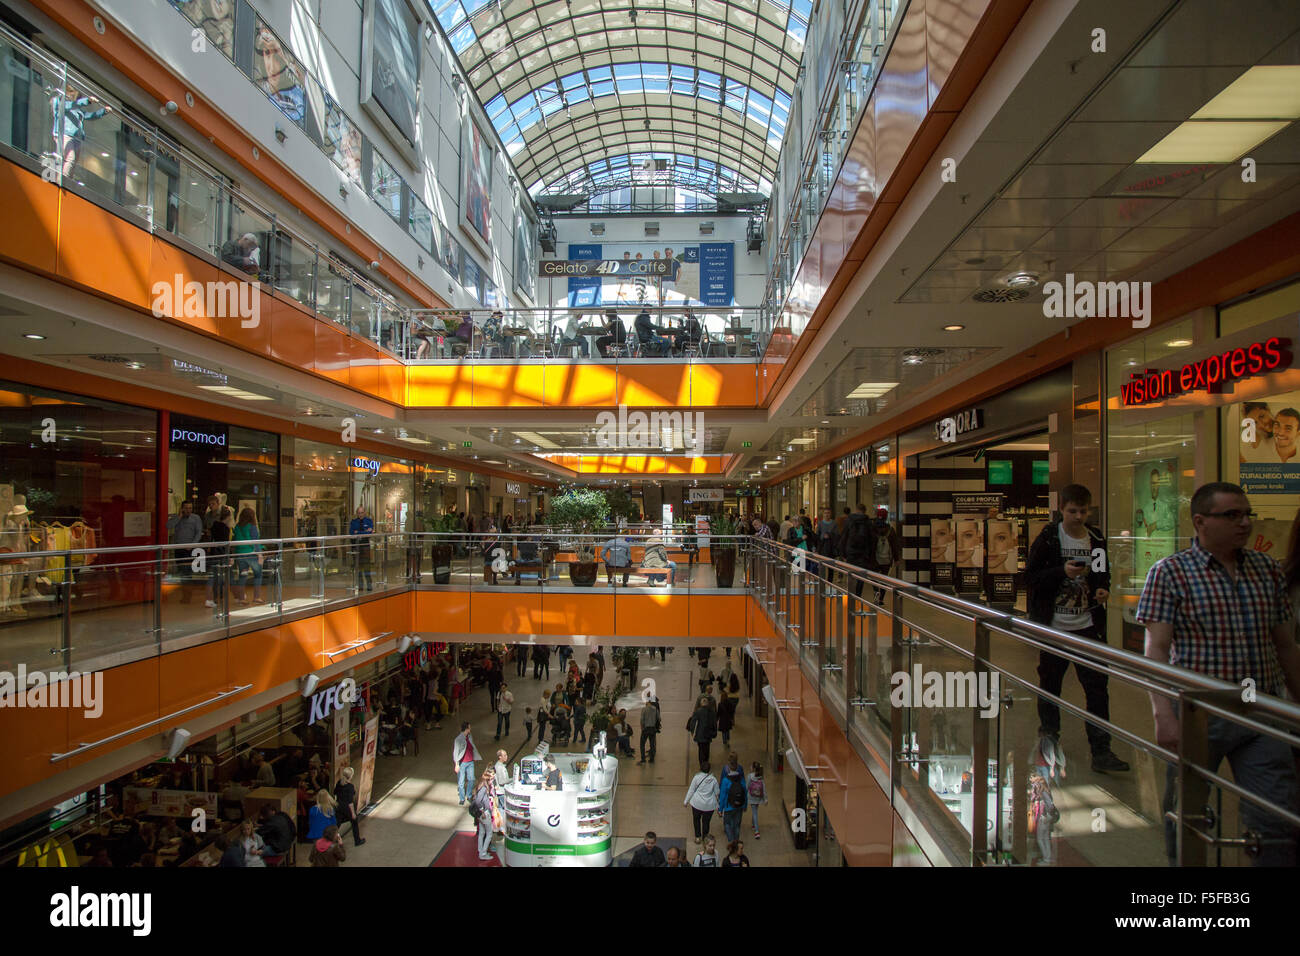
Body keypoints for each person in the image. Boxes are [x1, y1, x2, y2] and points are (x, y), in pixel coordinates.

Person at [1138, 481, 1300, 866]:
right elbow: (1156, 650)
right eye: (1232, 515)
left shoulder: (1266, 571)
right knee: (1186, 809)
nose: (1244, 523)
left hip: (1259, 708)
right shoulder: (1171, 572)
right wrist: (1163, 714)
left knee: (1274, 813)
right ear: (1200, 521)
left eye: (1247, 514)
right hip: (1198, 714)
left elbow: (1285, 646)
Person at [1026, 483, 1129, 773]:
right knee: (1050, 685)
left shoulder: (1095, 539)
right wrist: (1062, 572)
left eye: (1083, 511)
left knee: (1097, 688)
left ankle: (1101, 749)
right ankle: (1049, 738)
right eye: (1073, 511)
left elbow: (1101, 573)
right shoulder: (1049, 538)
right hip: (1055, 627)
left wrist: (1102, 590)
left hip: (1087, 626)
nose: (1078, 516)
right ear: (1063, 509)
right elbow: (1032, 576)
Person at [838, 503, 874, 597]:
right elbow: (872, 539)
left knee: (851, 574)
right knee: (861, 576)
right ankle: (858, 595)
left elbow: (844, 537)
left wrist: (842, 553)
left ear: (856, 510)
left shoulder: (849, 520)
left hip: (850, 552)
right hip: (863, 553)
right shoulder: (868, 521)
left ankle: (851, 594)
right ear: (865, 511)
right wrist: (870, 555)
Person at [231, 507, 264, 605]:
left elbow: (234, 540)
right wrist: (260, 554)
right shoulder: (252, 527)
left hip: (240, 553)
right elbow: (255, 541)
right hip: (251, 553)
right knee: (258, 574)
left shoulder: (237, 527)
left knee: (242, 575)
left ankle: (241, 598)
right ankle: (257, 596)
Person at [685, 760, 720, 844]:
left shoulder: (696, 777)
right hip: (709, 805)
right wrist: (719, 806)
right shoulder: (713, 779)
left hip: (697, 803)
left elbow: (691, 790)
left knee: (696, 819)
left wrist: (686, 801)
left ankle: (697, 837)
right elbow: (717, 792)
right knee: (706, 822)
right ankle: (705, 837)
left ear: (700, 769)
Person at [718, 753, 748, 845]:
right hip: (739, 805)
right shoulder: (741, 777)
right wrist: (745, 805)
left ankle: (731, 842)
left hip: (728, 806)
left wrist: (720, 808)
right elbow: (745, 792)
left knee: (727, 824)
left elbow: (723, 795)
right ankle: (736, 840)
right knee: (737, 825)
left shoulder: (726, 780)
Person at [332, 766, 365, 847]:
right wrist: (353, 813)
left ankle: (331, 839)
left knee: (337, 824)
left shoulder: (339, 782)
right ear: (351, 776)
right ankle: (357, 840)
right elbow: (350, 802)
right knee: (354, 822)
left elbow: (334, 792)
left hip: (338, 806)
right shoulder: (350, 787)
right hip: (346, 808)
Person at [471, 769, 496, 861]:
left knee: (482, 833)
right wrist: (482, 811)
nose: (493, 779)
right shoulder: (484, 788)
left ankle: (480, 850)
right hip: (484, 813)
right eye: (492, 777)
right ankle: (483, 853)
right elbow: (478, 801)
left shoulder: (481, 785)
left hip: (481, 814)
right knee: (489, 833)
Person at [349, 505, 374, 592]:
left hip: (365, 546)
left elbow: (370, 532)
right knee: (358, 567)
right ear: (357, 513)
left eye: (362, 512)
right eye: (359, 513)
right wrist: (364, 532)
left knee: (367, 567)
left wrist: (358, 532)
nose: (360, 514)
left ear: (365, 513)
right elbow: (352, 533)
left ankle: (369, 585)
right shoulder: (353, 522)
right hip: (356, 547)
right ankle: (360, 586)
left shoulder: (369, 521)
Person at [452, 721, 478, 806]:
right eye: (469, 727)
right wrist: (456, 764)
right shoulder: (458, 739)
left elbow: (472, 747)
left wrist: (474, 757)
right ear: (466, 729)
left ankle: (469, 795)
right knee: (461, 781)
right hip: (462, 763)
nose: (470, 729)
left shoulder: (469, 737)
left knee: (471, 779)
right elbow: (456, 752)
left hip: (470, 762)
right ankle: (462, 798)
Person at [639, 695, 661, 764]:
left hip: (645, 729)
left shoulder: (644, 709)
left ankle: (643, 759)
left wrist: (642, 727)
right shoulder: (655, 709)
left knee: (642, 744)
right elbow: (659, 718)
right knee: (652, 744)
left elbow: (642, 720)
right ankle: (652, 758)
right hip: (652, 729)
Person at [748, 762, 767, 838]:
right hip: (758, 797)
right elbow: (764, 788)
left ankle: (757, 831)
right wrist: (765, 799)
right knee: (755, 811)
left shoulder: (750, 776)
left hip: (751, 797)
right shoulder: (760, 777)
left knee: (754, 812)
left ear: (753, 768)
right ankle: (753, 824)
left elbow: (747, 786)